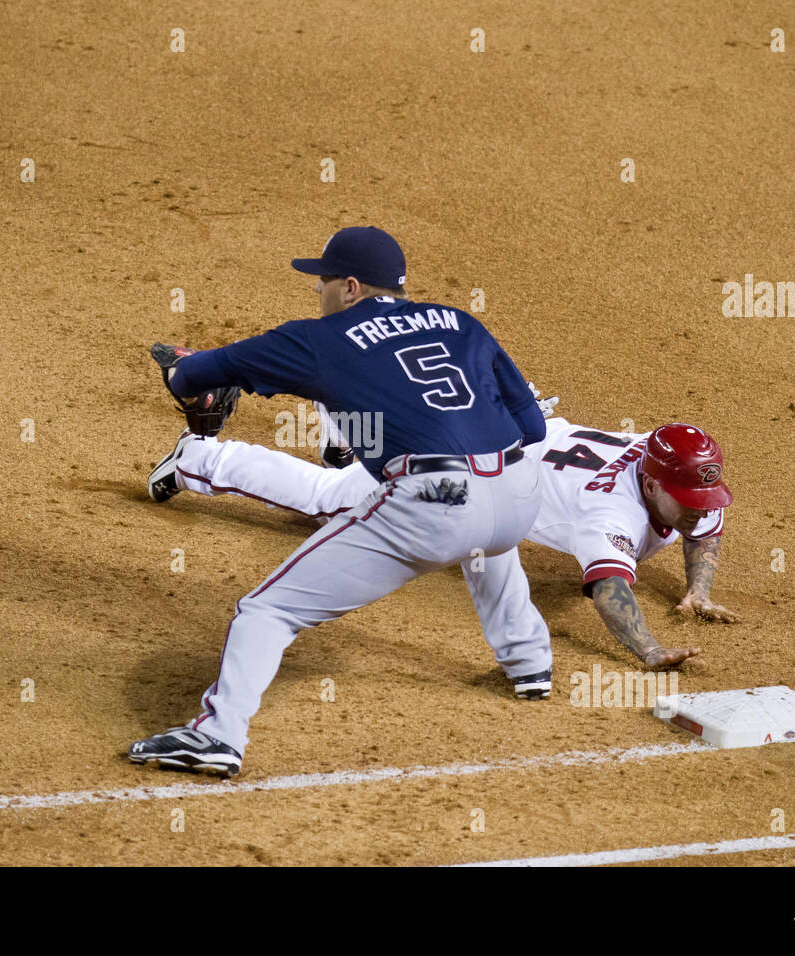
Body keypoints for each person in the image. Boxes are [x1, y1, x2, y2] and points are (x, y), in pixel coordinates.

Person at [130, 226, 554, 777]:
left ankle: (217, 735)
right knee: (486, 529)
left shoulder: (319, 339)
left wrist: (182, 374)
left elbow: (195, 373)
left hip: (435, 505)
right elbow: (533, 425)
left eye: (323, 281)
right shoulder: (463, 322)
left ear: (351, 286)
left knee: (267, 610)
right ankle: (529, 662)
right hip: (521, 493)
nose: (317, 292)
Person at [148, 405, 738, 670]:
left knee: (373, 454)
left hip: (495, 428)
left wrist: (699, 590)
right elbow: (610, 592)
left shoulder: (662, 471)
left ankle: (347, 432)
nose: (696, 512)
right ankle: (203, 456)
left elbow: (702, 528)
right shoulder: (607, 513)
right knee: (330, 500)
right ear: (654, 484)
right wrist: (650, 649)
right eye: (686, 501)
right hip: (459, 465)